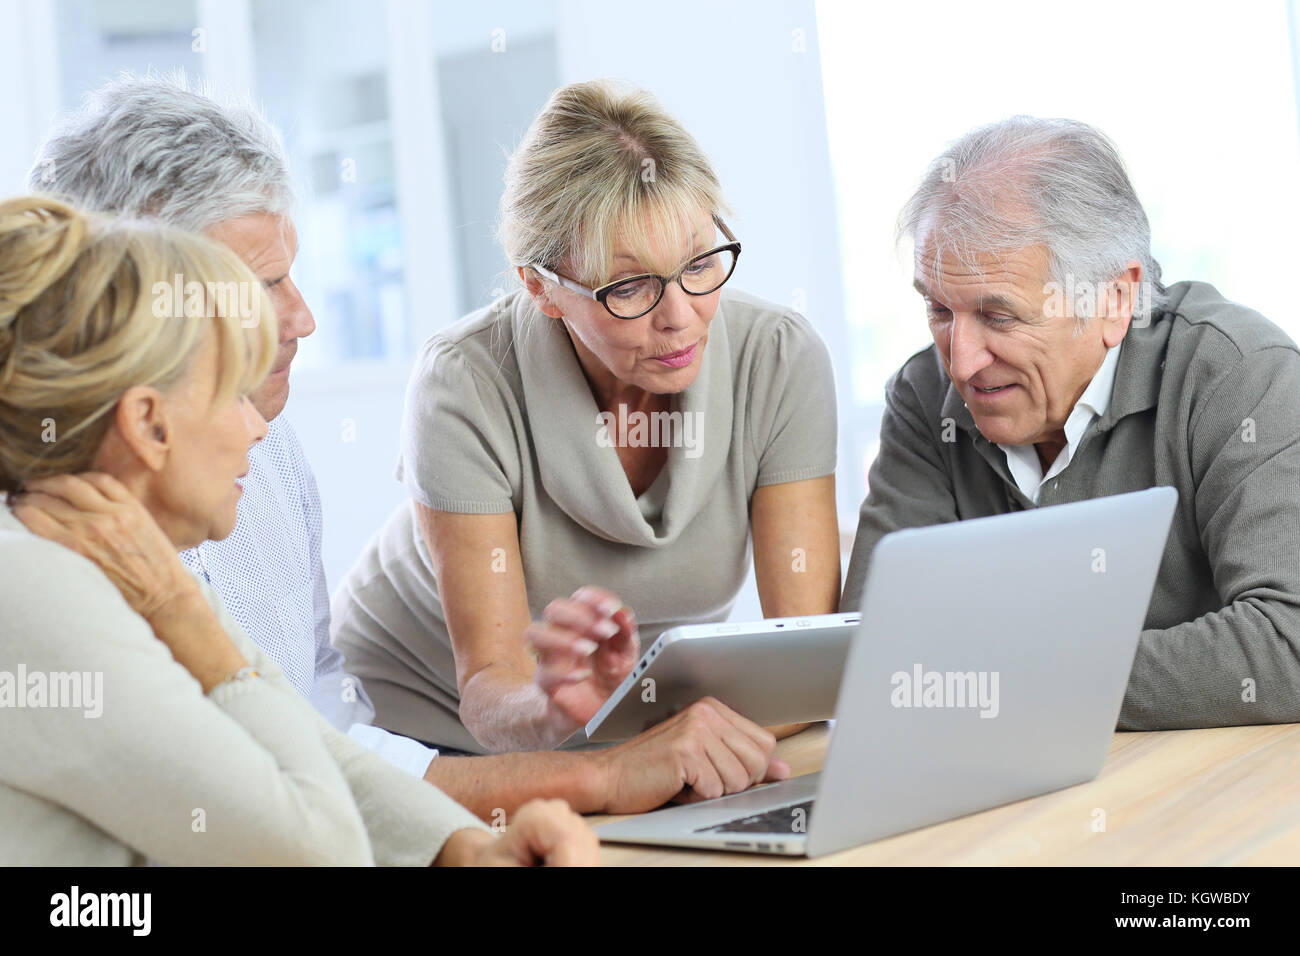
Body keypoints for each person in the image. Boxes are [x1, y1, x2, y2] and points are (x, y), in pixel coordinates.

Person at [30, 74, 806, 819]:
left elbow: (327, 738)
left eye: (700, 265)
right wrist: (593, 774)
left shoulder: (268, 456)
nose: (302, 319)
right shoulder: (39, 553)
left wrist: (490, 827)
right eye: (260, 288)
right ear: (129, 309)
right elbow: (241, 800)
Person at [0, 195, 594, 864]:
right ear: (148, 424)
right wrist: (187, 622)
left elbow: (315, 749)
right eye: (234, 392)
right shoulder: (34, 583)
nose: (258, 427)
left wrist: (462, 851)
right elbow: (318, 851)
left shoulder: (127, 559)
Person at [333, 79, 842, 764]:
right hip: (420, 733)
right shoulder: (461, 384)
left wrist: (669, 742)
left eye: (698, 263)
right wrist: (559, 712)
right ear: (540, 286)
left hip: (631, 741)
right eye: (630, 286)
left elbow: (801, 662)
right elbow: (490, 688)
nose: (681, 315)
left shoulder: (778, 358)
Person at [841, 116, 1300, 731]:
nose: (961, 361)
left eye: (998, 316)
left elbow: (1285, 643)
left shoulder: (1240, 374)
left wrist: (1015, 678)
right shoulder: (924, 397)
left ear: (1114, 299)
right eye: (939, 309)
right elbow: (874, 650)